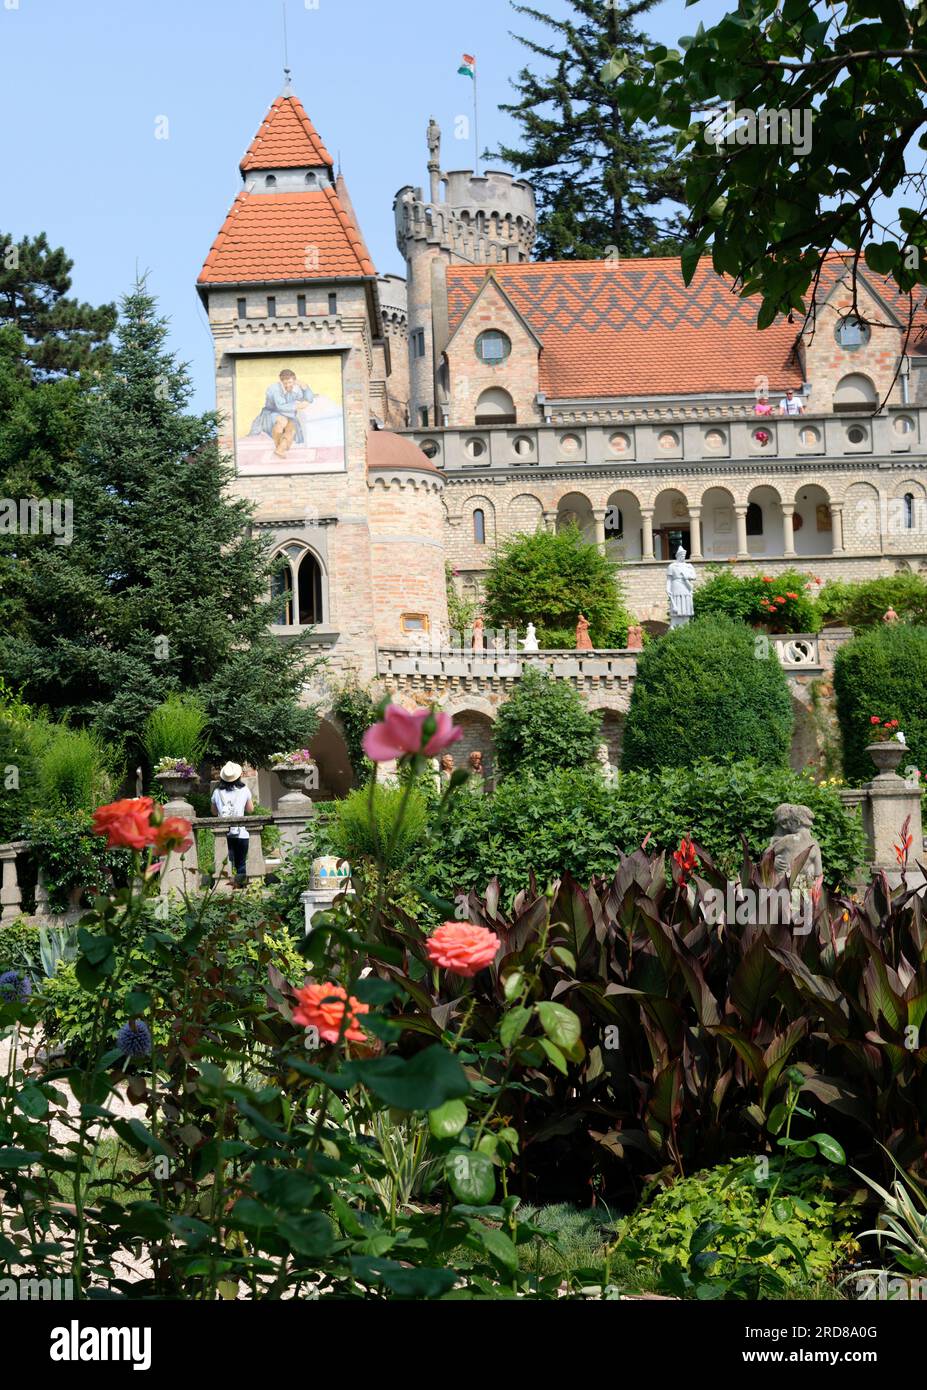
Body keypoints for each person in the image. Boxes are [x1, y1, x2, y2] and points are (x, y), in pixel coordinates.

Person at [249, 369, 315, 458]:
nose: (288, 385)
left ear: (294, 381)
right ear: (281, 382)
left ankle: (280, 450)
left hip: (289, 415)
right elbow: (281, 406)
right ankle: (278, 446)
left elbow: (309, 399)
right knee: (282, 422)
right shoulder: (274, 389)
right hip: (271, 413)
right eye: (285, 383)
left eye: (290, 382)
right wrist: (297, 406)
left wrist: (305, 388)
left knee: (291, 429)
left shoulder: (296, 388)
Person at [212, 761, 254, 888]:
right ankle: (240, 885)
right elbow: (250, 809)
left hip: (224, 834)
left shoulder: (217, 792)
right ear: (238, 776)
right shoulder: (244, 789)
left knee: (226, 862)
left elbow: (214, 812)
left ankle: (225, 887)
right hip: (241, 833)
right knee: (241, 863)